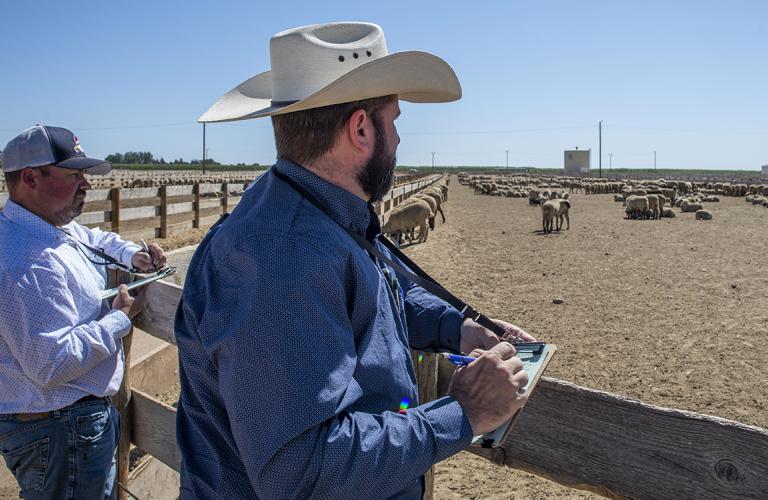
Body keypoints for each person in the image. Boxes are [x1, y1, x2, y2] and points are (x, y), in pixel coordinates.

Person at [175, 22, 535, 499]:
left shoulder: (310, 211)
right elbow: (301, 472)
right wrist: (463, 412)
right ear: (361, 128)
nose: (400, 140)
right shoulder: (282, 257)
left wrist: (455, 327)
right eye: (394, 121)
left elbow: (372, 290)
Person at [0, 125, 167, 499]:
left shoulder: (42, 228)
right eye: (74, 175)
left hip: (60, 425)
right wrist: (119, 318)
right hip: (61, 429)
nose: (86, 184)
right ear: (30, 178)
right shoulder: (27, 262)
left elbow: (91, 238)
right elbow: (51, 364)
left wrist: (129, 254)